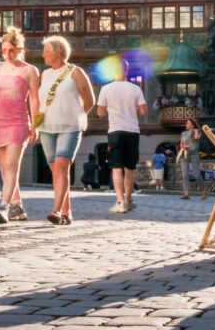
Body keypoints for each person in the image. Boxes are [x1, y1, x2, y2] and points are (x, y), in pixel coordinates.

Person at [0, 26, 39, 224]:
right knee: (4, 168)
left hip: (18, 120)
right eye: (4, 50)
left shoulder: (30, 70)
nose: (7, 54)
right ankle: (18, 206)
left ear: (21, 49)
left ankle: (3, 207)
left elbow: (35, 100)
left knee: (12, 166)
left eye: (11, 50)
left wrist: (35, 125)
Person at [38, 36, 94, 225]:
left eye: (46, 50)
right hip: (46, 128)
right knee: (56, 170)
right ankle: (66, 211)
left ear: (58, 52)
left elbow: (90, 100)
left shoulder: (75, 72)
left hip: (69, 128)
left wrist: (77, 116)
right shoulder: (44, 75)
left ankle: (55, 212)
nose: (43, 54)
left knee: (62, 167)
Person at [96, 60, 146, 214]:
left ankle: (119, 202)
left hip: (115, 131)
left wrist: (111, 111)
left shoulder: (105, 89)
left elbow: (100, 113)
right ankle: (129, 200)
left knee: (116, 167)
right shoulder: (136, 89)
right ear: (126, 71)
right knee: (130, 168)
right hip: (132, 131)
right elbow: (143, 112)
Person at [177, 118, 205, 200]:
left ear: (192, 125)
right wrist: (183, 146)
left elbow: (196, 138)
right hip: (184, 154)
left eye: (188, 123)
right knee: (185, 175)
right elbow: (181, 144)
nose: (186, 125)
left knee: (196, 175)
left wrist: (196, 130)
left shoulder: (197, 132)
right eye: (186, 123)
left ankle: (203, 190)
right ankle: (186, 194)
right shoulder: (183, 133)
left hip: (194, 154)